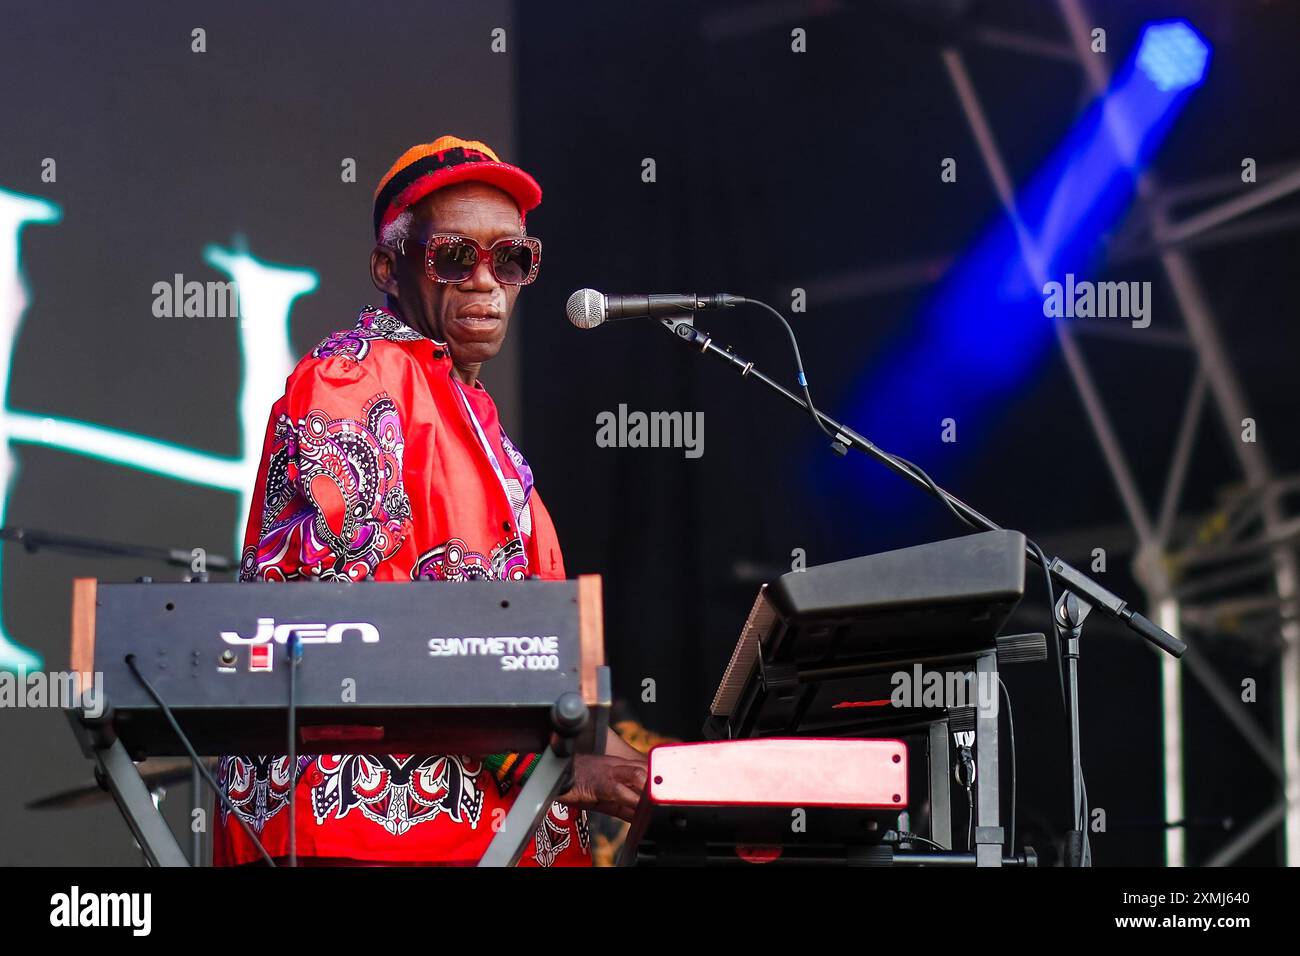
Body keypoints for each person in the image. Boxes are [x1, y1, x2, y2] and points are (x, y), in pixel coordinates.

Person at [212, 136, 647, 866]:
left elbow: (533, 655)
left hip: (483, 829)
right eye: (454, 255)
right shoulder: (353, 379)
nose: (485, 279)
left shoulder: (482, 428)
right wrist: (552, 761)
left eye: (510, 258)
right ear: (389, 266)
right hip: (362, 832)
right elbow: (344, 629)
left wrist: (631, 764)